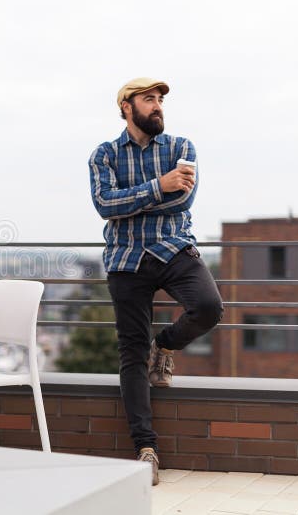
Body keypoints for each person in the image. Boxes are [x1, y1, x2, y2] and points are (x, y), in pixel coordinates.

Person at [88, 78, 224, 484]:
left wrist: (139, 197)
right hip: (126, 259)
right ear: (126, 108)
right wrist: (157, 187)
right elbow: (102, 204)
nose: (158, 105)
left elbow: (182, 198)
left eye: (160, 99)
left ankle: (163, 344)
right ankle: (146, 449)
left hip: (173, 248)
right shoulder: (104, 154)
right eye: (149, 99)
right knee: (131, 354)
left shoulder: (182, 148)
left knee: (209, 308)